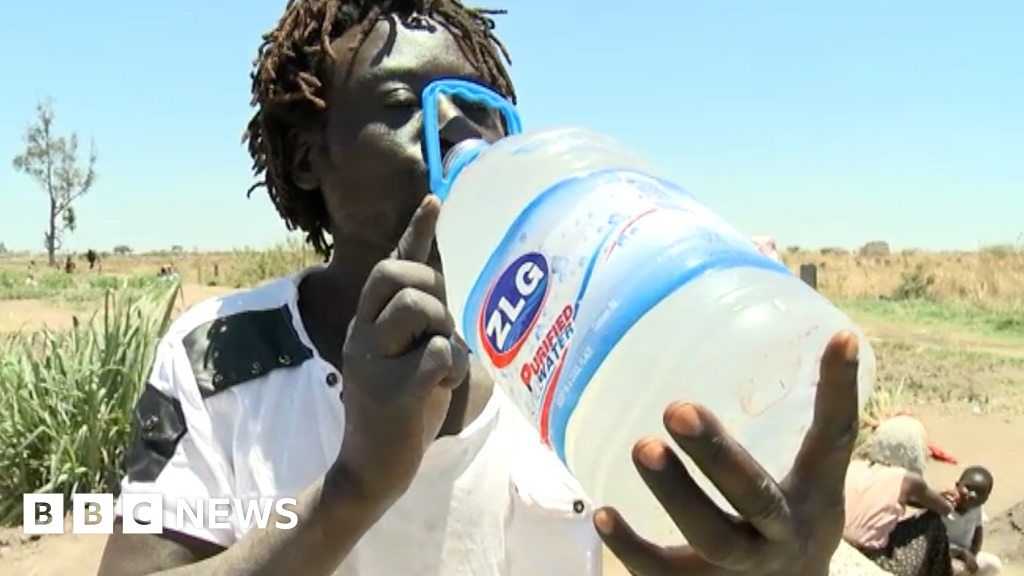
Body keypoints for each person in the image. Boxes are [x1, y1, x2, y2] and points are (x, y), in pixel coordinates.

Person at [97, 1, 863, 575]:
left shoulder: (578, 336)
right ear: (307, 160)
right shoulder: (224, 356)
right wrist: (354, 487)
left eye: (479, 110)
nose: (459, 137)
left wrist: (781, 557)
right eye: (405, 108)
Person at [844, 415, 956, 576]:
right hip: (874, 558)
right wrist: (942, 497)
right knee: (933, 522)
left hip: (842, 547)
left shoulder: (853, 466)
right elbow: (945, 509)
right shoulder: (909, 481)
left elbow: (881, 494)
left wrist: (928, 496)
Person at [944, 466, 1002, 576]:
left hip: (965, 555)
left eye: (981, 492)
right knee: (957, 570)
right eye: (968, 488)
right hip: (942, 554)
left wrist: (972, 555)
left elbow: (978, 533)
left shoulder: (976, 509)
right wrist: (962, 554)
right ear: (957, 485)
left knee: (993, 564)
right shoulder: (944, 507)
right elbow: (932, 542)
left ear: (986, 498)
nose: (973, 495)